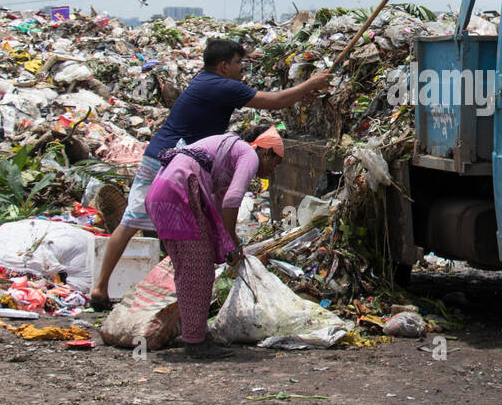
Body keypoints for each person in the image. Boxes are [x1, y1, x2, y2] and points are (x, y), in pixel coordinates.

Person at [88, 38, 329, 309]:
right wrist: (312, 82)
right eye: (239, 63)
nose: (242, 69)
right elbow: (273, 101)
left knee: (135, 223)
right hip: (169, 162)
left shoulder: (207, 82)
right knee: (161, 227)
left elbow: (277, 100)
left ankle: (108, 289)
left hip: (163, 156)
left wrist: (301, 94)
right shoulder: (221, 85)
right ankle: (159, 296)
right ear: (224, 65)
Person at [144, 124, 284, 358]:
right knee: (198, 270)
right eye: (276, 162)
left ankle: (195, 333)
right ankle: (195, 343)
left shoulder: (229, 152)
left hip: (161, 192)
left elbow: (219, 207)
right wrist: (234, 240)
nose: (274, 169)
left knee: (189, 269)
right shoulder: (249, 154)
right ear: (266, 152)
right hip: (180, 193)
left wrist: (227, 243)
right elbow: (232, 199)